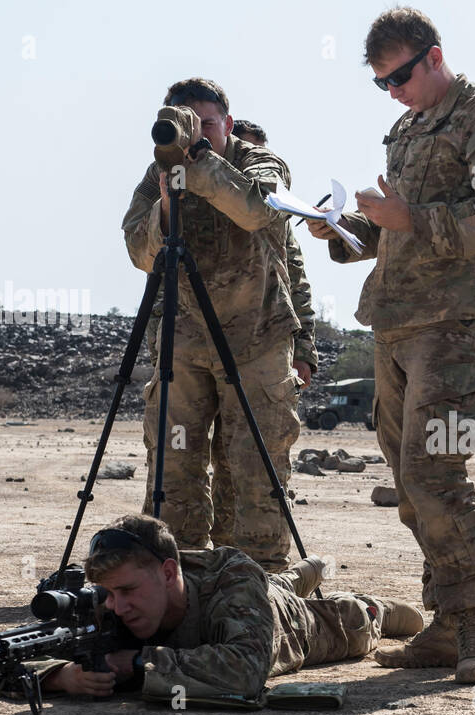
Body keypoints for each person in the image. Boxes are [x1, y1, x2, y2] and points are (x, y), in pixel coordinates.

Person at [308, 7, 475, 684]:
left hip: (452, 327)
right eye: (381, 83)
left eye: (400, 76)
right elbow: (397, 231)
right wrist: (345, 229)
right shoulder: (406, 131)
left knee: (437, 477)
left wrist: (409, 217)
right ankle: (443, 623)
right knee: (410, 485)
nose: (393, 91)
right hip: (395, 324)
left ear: (434, 57)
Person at [121, 78, 306, 572]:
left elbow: (256, 210)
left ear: (226, 122)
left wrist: (201, 167)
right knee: (173, 461)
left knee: (254, 465)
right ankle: (174, 576)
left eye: (205, 123)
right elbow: (139, 252)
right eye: (185, 124)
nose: (194, 133)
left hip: (257, 339)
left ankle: (258, 579)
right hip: (184, 339)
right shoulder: (157, 174)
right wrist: (165, 203)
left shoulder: (259, 162)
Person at [0, 514, 423, 707]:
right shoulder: (111, 600)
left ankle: (370, 603)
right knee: (279, 584)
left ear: (168, 570)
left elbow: (247, 669)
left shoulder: (232, 573)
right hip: (255, 596)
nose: (118, 606)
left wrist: (139, 662)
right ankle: (302, 572)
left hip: (294, 625)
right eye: (110, 593)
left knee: (348, 617)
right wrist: (59, 676)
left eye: (129, 590)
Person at [205, 117, 319, 552]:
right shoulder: (195, 208)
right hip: (201, 348)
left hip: (259, 347)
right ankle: (213, 554)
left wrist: (303, 348)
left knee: (251, 456)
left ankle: (248, 561)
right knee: (204, 457)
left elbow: (296, 284)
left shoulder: (275, 226)